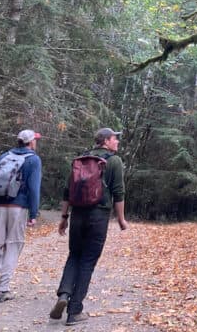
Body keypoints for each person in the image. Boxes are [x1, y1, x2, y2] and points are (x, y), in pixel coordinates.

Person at [50, 127, 128, 326]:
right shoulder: (114, 161)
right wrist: (121, 219)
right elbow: (118, 193)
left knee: (74, 255)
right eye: (114, 139)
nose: (117, 142)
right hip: (98, 216)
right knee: (88, 261)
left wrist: (64, 216)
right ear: (106, 141)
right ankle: (74, 311)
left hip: (77, 215)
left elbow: (67, 192)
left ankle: (64, 294)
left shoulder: (81, 159)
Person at [0, 129, 42, 303]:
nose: (36, 142)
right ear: (31, 142)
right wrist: (33, 214)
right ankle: (2, 290)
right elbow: (34, 189)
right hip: (18, 208)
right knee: (13, 246)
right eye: (35, 139)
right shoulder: (33, 159)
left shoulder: (5, 156)